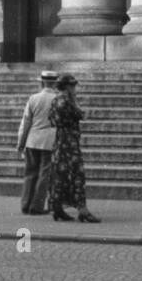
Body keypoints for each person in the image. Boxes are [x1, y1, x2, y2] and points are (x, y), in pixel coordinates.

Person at [48, 74, 100, 223]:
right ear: (68, 87)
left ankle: (57, 208)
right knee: (77, 175)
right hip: (70, 143)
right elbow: (82, 115)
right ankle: (82, 210)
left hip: (59, 142)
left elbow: (52, 120)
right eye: (73, 86)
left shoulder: (55, 101)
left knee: (59, 175)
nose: (75, 89)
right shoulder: (67, 102)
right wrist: (75, 102)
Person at [16, 69, 59, 215]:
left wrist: (21, 142)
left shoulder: (33, 98)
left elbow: (26, 122)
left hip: (32, 140)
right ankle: (37, 205)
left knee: (30, 172)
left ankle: (25, 203)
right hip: (49, 141)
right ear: (55, 84)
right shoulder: (58, 99)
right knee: (44, 174)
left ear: (41, 82)